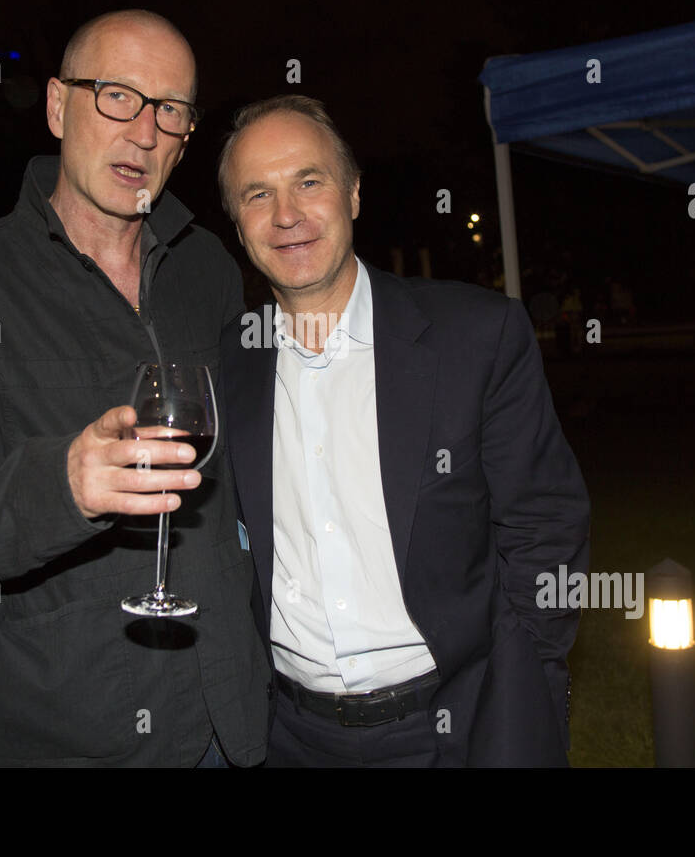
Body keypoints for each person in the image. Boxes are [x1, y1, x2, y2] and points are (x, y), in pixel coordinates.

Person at [0, 9, 269, 766]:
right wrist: (61, 484)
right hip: (65, 734)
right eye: (116, 95)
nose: (144, 132)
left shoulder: (210, 271)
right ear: (57, 106)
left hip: (231, 723)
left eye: (170, 110)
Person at [215, 95, 591, 766]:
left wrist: (524, 687)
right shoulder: (228, 366)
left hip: (458, 728)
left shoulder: (474, 336)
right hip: (292, 739)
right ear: (238, 226)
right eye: (257, 194)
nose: (287, 215)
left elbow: (546, 527)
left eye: (309, 181)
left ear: (354, 194)